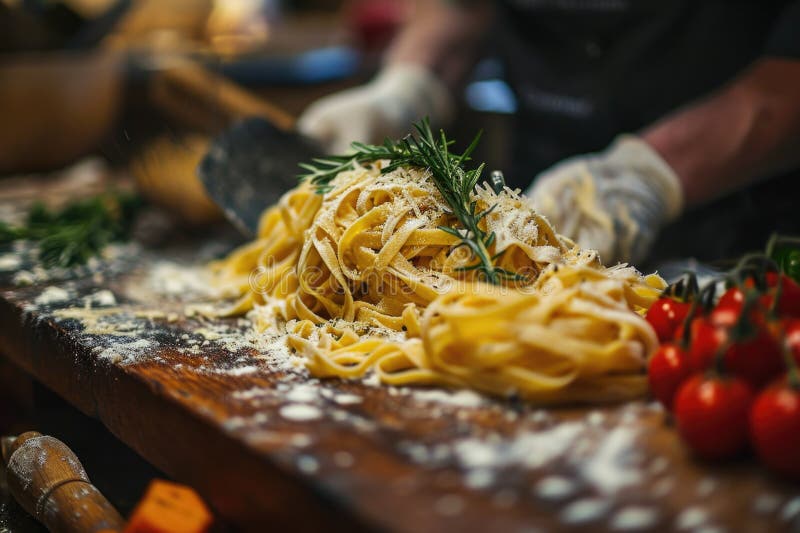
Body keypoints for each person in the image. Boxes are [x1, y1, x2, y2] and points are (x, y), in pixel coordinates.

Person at [297, 0, 800, 266]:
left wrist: (650, 174)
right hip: (535, 205)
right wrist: (408, 88)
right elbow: (458, 7)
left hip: (746, 231)